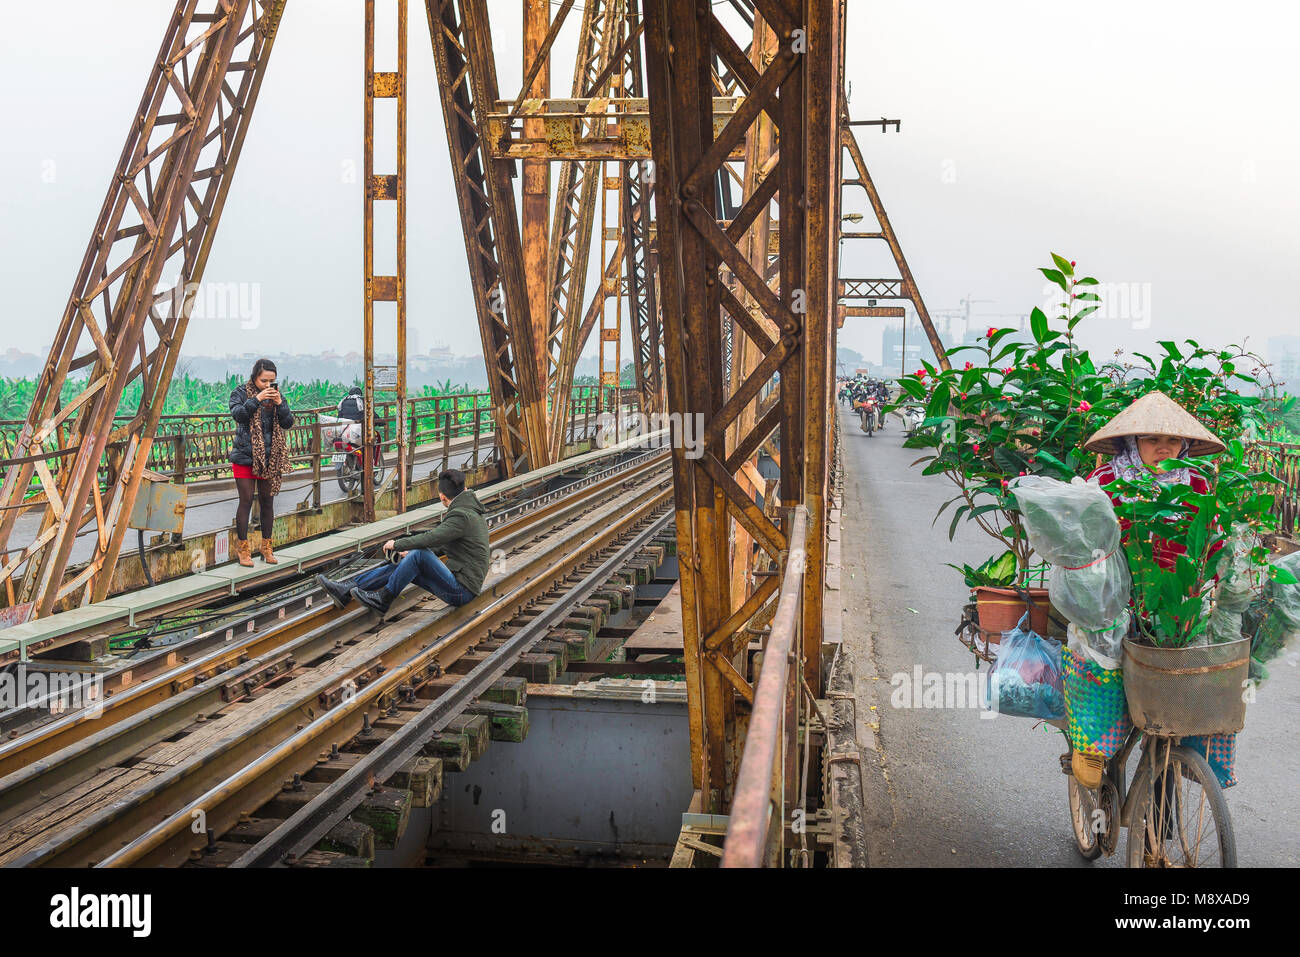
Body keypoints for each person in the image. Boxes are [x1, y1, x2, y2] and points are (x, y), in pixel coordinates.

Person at [1078, 390, 1233, 789]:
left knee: (1210, 672)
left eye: (1171, 440)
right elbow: (1085, 538)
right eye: (1151, 440)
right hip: (1118, 600)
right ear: (1133, 442)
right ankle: (1092, 746)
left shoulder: (1198, 483)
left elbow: (1212, 542)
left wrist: (1221, 583)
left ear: (1185, 445)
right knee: (1104, 664)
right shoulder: (1106, 481)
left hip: (1178, 603)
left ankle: (1196, 757)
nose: (1163, 448)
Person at [314, 468, 489, 620]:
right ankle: (346, 590)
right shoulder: (468, 509)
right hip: (461, 584)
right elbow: (441, 545)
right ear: (464, 489)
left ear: (442, 497)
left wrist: (398, 544)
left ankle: (383, 599)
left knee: (419, 554)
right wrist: (409, 553)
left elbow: (432, 538)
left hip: (462, 591)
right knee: (406, 562)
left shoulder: (461, 515)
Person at [228, 358, 294, 567]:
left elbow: (288, 423)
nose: (268, 385)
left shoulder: (277, 396)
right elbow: (238, 415)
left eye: (271, 381)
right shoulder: (240, 392)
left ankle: (266, 547)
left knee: (267, 502)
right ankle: (243, 549)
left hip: (269, 458)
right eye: (264, 380)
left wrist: (280, 405)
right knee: (246, 500)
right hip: (244, 456)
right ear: (255, 377)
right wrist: (256, 399)